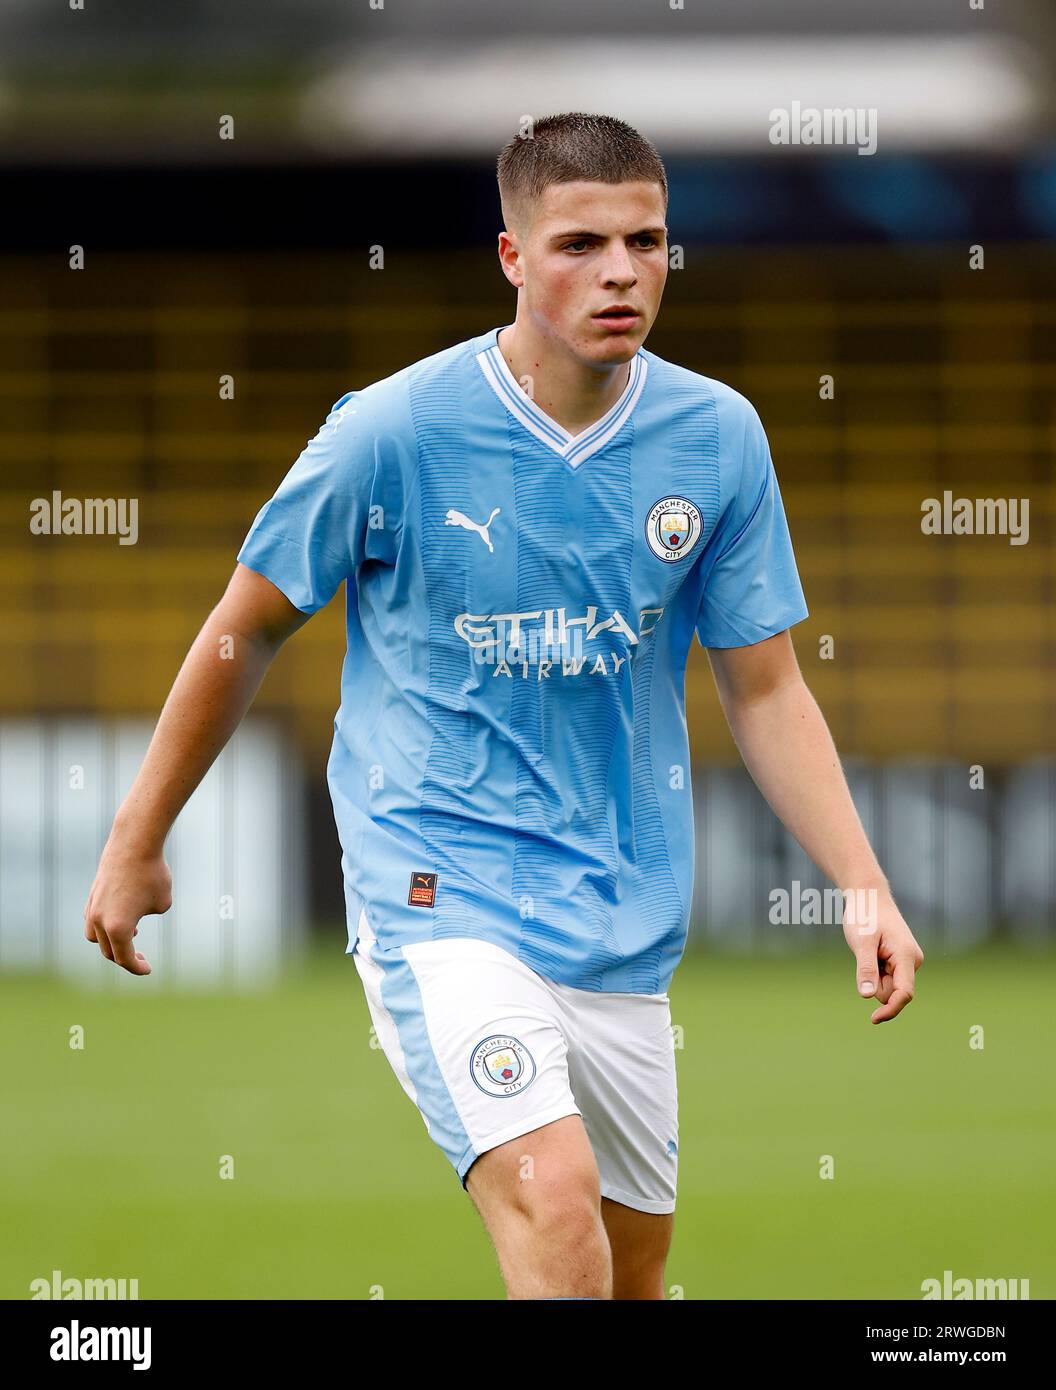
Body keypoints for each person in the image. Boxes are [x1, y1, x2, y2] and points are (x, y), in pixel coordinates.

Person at [84, 111, 924, 1300]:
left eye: (649, 240)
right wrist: (136, 839)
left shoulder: (718, 439)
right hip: (441, 889)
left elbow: (766, 684)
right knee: (552, 1204)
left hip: (623, 919)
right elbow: (246, 626)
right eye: (580, 242)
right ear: (512, 257)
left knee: (627, 1278)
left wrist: (862, 883)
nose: (624, 270)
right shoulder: (389, 432)